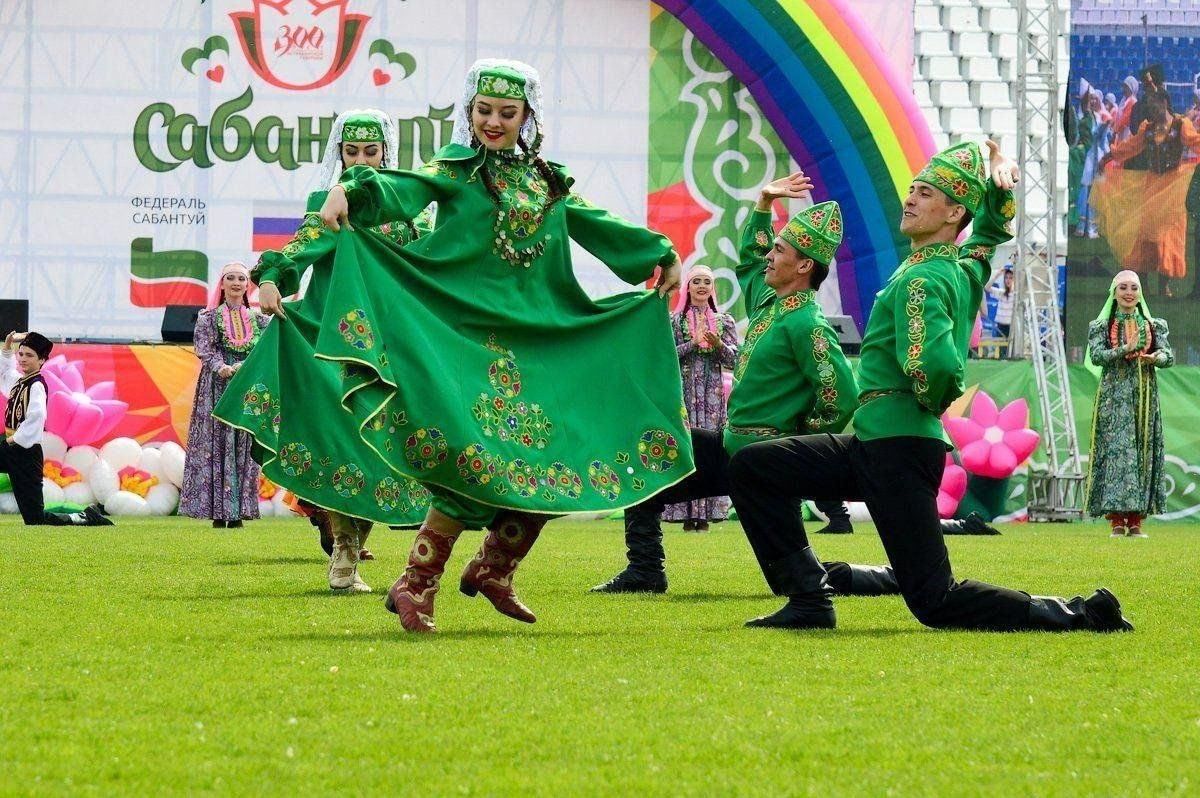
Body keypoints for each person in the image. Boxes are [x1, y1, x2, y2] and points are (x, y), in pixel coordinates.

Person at [233, 59, 691, 632]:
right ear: (468, 112)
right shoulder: (458, 172)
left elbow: (592, 221)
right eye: (483, 111)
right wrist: (350, 192)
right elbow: (407, 188)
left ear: (527, 117)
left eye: (507, 113)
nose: (493, 122)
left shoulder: (547, 183)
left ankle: (493, 567)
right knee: (474, 462)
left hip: (541, 338)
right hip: (471, 340)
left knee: (556, 458)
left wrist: (658, 252)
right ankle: (417, 584)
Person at [728, 140, 1133, 633]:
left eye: (924, 193)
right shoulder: (958, 269)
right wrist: (998, 185)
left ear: (952, 212)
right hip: (880, 443)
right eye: (913, 190)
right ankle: (811, 595)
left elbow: (935, 366)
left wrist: (924, 399)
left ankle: (1080, 612)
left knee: (934, 600)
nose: (911, 198)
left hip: (896, 446)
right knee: (754, 465)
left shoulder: (924, 278)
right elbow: (986, 238)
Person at [591, 175, 858, 595]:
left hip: (767, 460)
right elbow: (751, 258)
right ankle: (645, 569)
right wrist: (763, 203)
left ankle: (886, 577)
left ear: (805, 265)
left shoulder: (807, 322)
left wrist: (794, 441)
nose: (769, 256)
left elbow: (840, 396)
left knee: (798, 579)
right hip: (730, 448)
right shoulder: (770, 303)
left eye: (780, 251)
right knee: (648, 456)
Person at [214, 109, 435, 594]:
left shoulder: (412, 211)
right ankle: (343, 551)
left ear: (387, 154)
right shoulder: (328, 205)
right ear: (339, 154)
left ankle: (372, 553)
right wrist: (272, 278)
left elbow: (436, 269)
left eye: (370, 152)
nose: (360, 161)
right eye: (350, 152)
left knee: (387, 449)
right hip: (334, 341)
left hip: (396, 343)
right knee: (345, 443)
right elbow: (301, 248)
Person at [181, 262, 270, 529]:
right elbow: (205, 349)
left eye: (241, 278)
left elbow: (267, 348)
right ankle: (219, 513)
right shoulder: (208, 318)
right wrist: (223, 367)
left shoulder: (260, 320)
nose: (235, 283)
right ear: (221, 284)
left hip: (245, 387)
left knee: (243, 444)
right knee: (216, 444)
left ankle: (239, 512)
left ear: (247, 285)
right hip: (216, 387)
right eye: (229, 278)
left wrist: (248, 366)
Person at [1085, 271, 1173, 537]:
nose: (1128, 292)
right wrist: (1126, 349)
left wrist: (1156, 358)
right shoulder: (1100, 326)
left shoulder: (1154, 325)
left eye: (1134, 287)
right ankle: (1115, 520)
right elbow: (1097, 356)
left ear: (1140, 293)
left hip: (1144, 396)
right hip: (1114, 398)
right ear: (1114, 292)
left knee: (1142, 452)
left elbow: (1168, 356)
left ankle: (1136, 521)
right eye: (1122, 287)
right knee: (1115, 453)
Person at [0, 332, 111, 527]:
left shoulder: (36, 386)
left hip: (25, 452)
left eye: (30, 355)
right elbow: (4, 374)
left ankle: (84, 517)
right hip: (12, 449)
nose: (23, 359)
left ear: (42, 360)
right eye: (22, 354)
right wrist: (8, 347)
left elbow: (36, 418)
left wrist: (12, 439)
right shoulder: (19, 382)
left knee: (35, 520)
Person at [1096, 92, 1200, 297]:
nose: (1152, 109)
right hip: (1152, 186)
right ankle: (1144, 283)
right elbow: (1131, 146)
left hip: (1173, 188)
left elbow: (1195, 141)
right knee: (1145, 235)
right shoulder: (1148, 128)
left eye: (1155, 105)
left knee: (1168, 235)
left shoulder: (1181, 124)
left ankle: (1164, 285)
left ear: (1164, 102)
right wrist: (1107, 157)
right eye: (1150, 106)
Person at [662, 265, 737, 532]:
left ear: (712, 288)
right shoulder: (674, 321)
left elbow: (735, 359)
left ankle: (705, 514)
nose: (702, 286)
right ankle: (683, 511)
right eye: (696, 281)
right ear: (688, 287)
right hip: (683, 393)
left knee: (710, 449)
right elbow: (665, 357)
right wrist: (692, 344)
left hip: (713, 396)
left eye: (707, 282)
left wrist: (718, 344)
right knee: (687, 446)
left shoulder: (724, 321)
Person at [986, 265, 1015, 356]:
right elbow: (987, 287)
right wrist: (997, 274)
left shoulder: (1017, 295)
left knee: (1011, 351)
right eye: (1006, 278)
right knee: (1001, 352)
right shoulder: (1001, 292)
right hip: (1000, 327)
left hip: (1012, 327)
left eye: (1010, 278)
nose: (1008, 280)